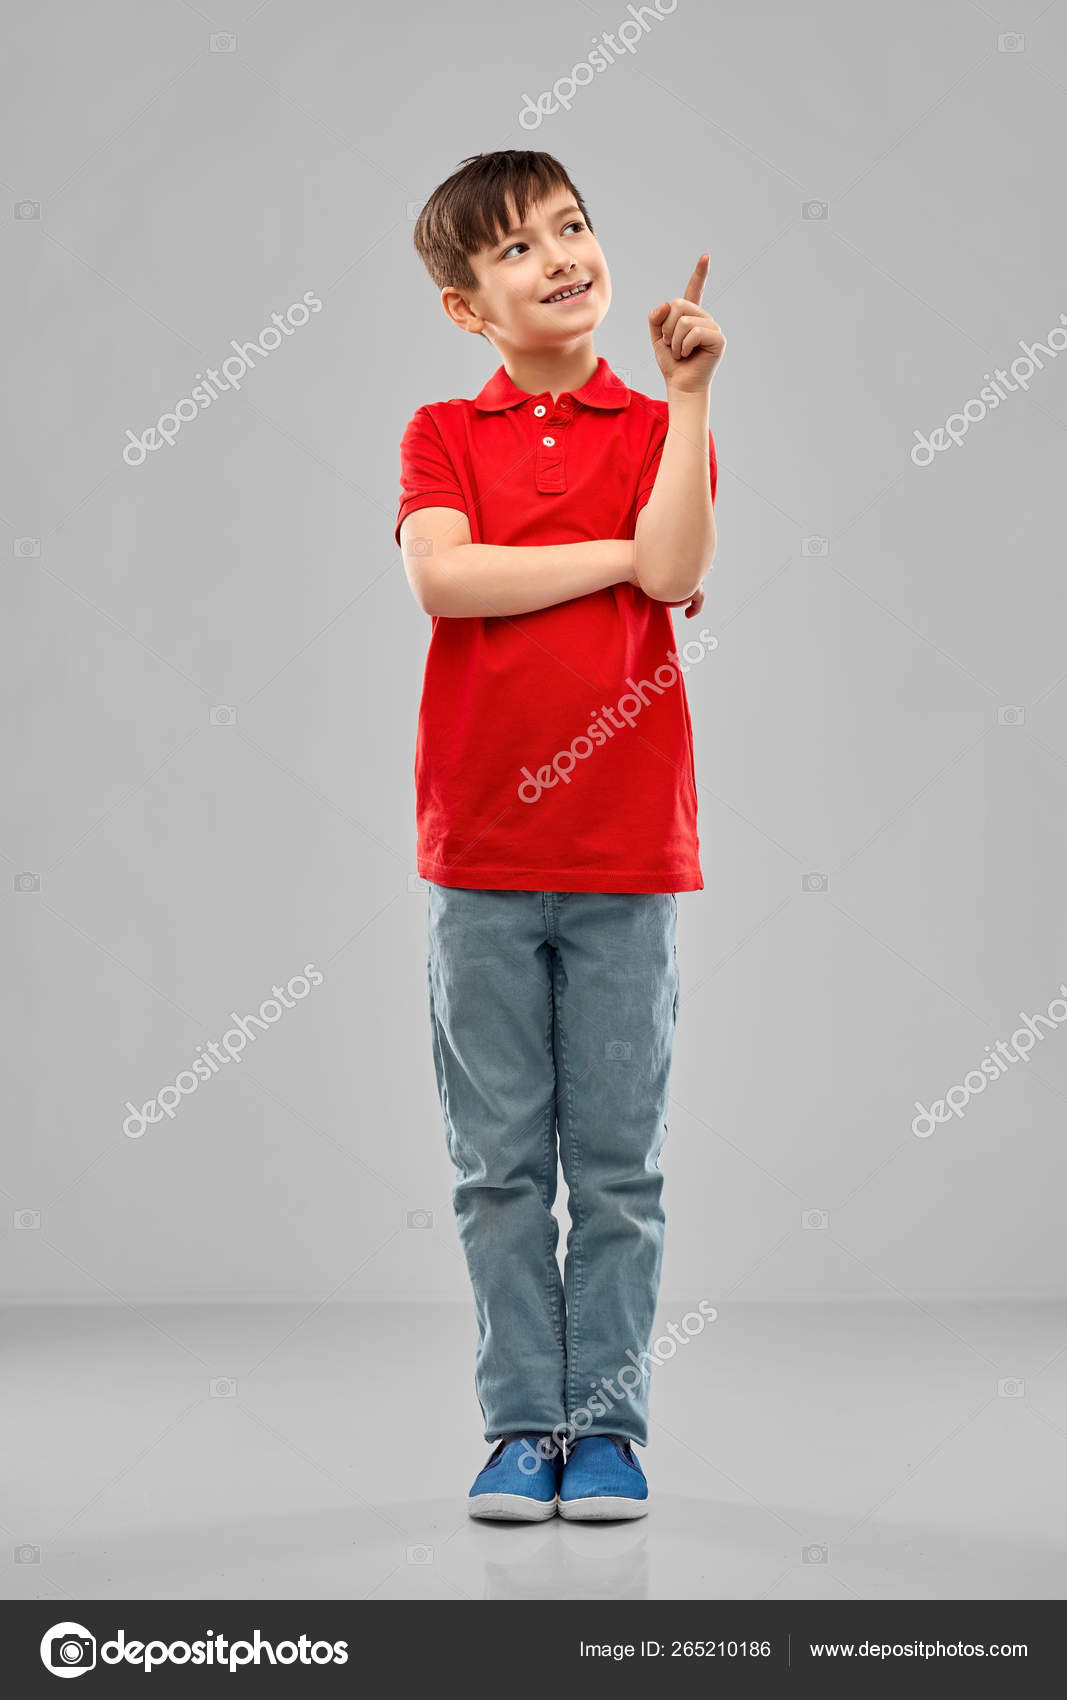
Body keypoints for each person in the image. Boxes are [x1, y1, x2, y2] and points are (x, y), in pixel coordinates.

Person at [394, 149, 724, 1520]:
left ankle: (606, 1434)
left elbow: (683, 566)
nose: (562, 257)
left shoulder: (655, 428)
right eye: (520, 249)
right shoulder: (440, 431)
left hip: (625, 854)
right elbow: (443, 575)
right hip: (475, 857)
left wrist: (694, 394)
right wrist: (613, 561)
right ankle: (519, 1429)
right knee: (497, 1171)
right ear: (469, 306)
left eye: (573, 228)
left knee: (619, 1171)